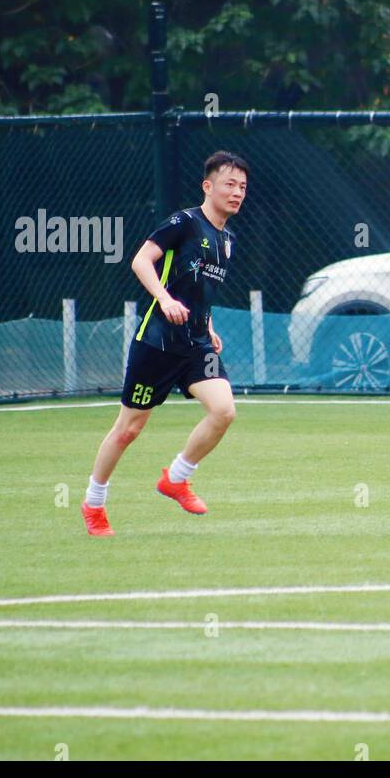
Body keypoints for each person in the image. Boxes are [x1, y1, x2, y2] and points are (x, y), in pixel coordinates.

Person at [80, 151, 248, 537]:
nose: (237, 192)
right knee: (128, 430)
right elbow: (141, 261)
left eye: (242, 186)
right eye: (229, 184)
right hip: (156, 342)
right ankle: (93, 504)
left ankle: (176, 478)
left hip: (196, 345)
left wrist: (209, 325)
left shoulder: (227, 239)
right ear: (208, 186)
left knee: (223, 410)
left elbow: (200, 290)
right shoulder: (184, 223)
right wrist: (166, 300)